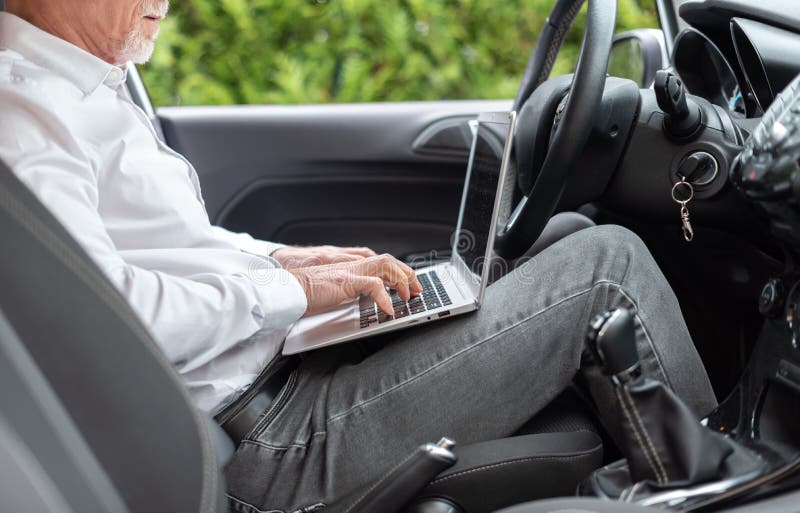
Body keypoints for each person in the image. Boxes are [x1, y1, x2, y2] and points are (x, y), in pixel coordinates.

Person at [0, 1, 717, 511]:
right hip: (272, 443)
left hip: (283, 377)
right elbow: (117, 323)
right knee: (606, 268)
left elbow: (177, 251)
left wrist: (294, 262)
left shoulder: (87, 80)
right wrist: (295, 295)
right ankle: (737, 483)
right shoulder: (26, 114)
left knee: (559, 237)